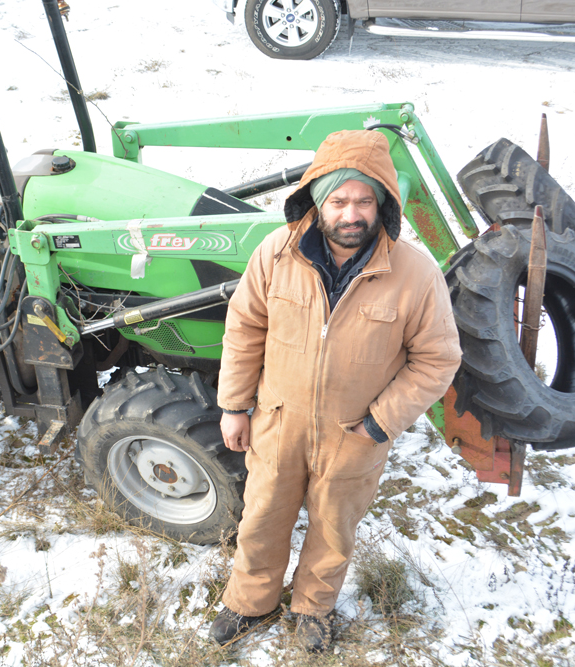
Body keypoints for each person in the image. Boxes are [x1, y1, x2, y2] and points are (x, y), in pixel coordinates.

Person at [209, 129, 462, 652]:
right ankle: (250, 602)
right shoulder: (276, 253)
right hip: (278, 422)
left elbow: (438, 359)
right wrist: (234, 406)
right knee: (260, 519)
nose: (352, 214)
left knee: (333, 529)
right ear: (317, 201)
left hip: (354, 434)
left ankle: (313, 609)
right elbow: (244, 328)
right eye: (339, 200)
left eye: (364, 201)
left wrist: (380, 422)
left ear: (382, 204)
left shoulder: (415, 274)